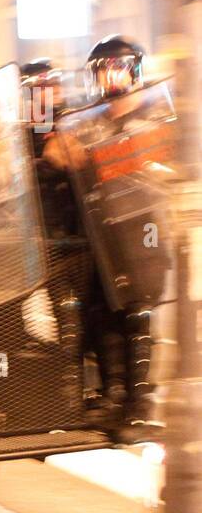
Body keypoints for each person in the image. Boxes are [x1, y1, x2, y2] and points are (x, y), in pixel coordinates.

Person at [46, 35, 170, 443]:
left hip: (143, 231)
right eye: (102, 69)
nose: (109, 76)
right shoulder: (90, 121)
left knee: (136, 314)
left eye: (116, 67)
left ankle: (138, 405)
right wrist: (59, 146)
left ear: (134, 70)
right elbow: (57, 149)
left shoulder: (155, 116)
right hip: (103, 234)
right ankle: (114, 397)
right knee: (102, 313)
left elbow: (159, 166)